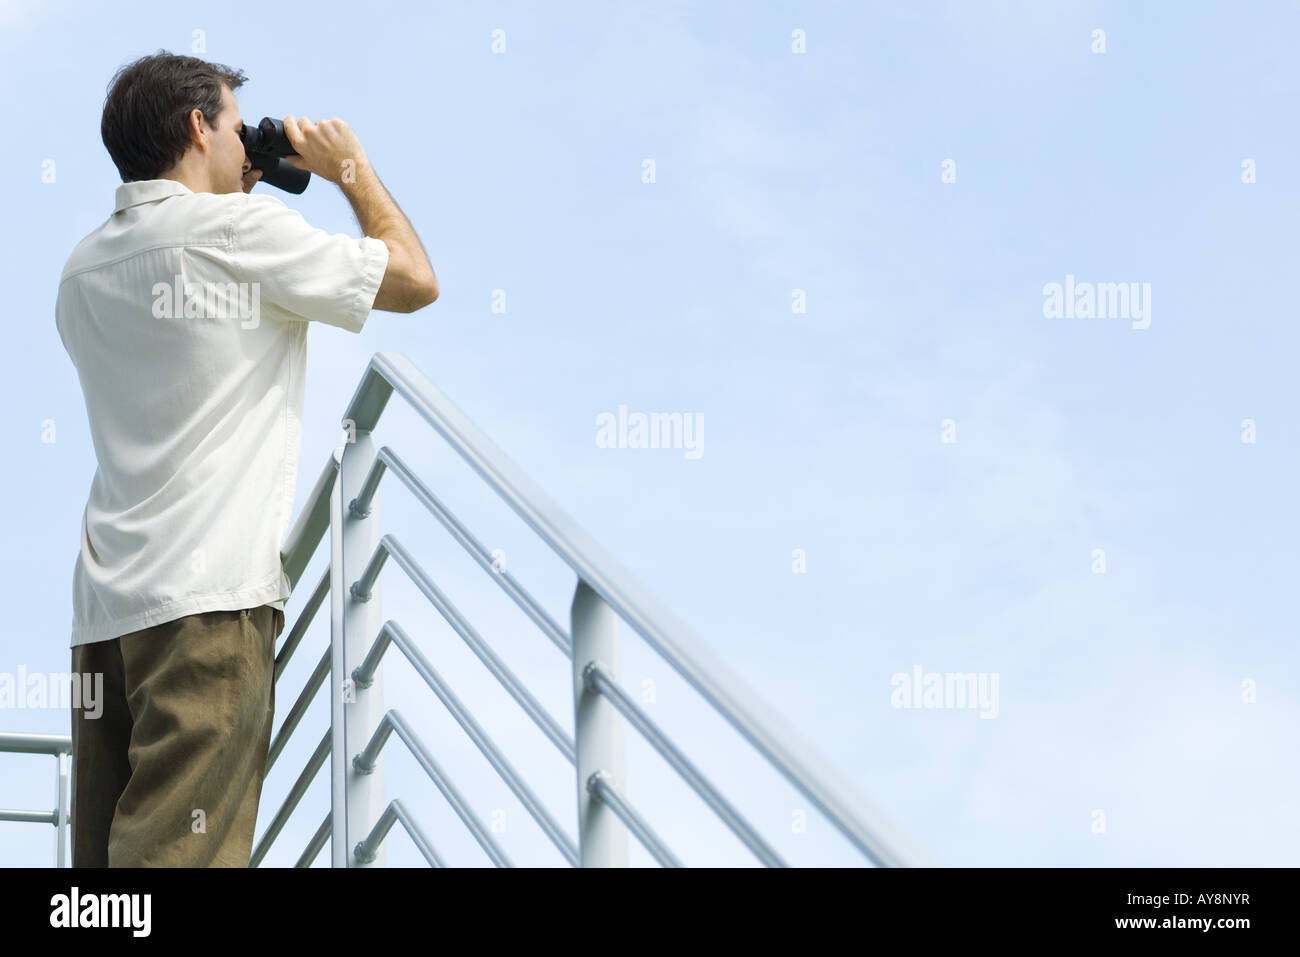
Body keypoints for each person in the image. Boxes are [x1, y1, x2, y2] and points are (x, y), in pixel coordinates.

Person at [55, 50, 439, 867]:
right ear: (198, 126)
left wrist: (236, 181)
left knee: (102, 882)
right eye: (235, 126)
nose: (244, 144)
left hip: (105, 617)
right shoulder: (241, 233)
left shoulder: (82, 270)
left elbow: (195, 311)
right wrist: (349, 171)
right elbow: (412, 278)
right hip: (208, 603)